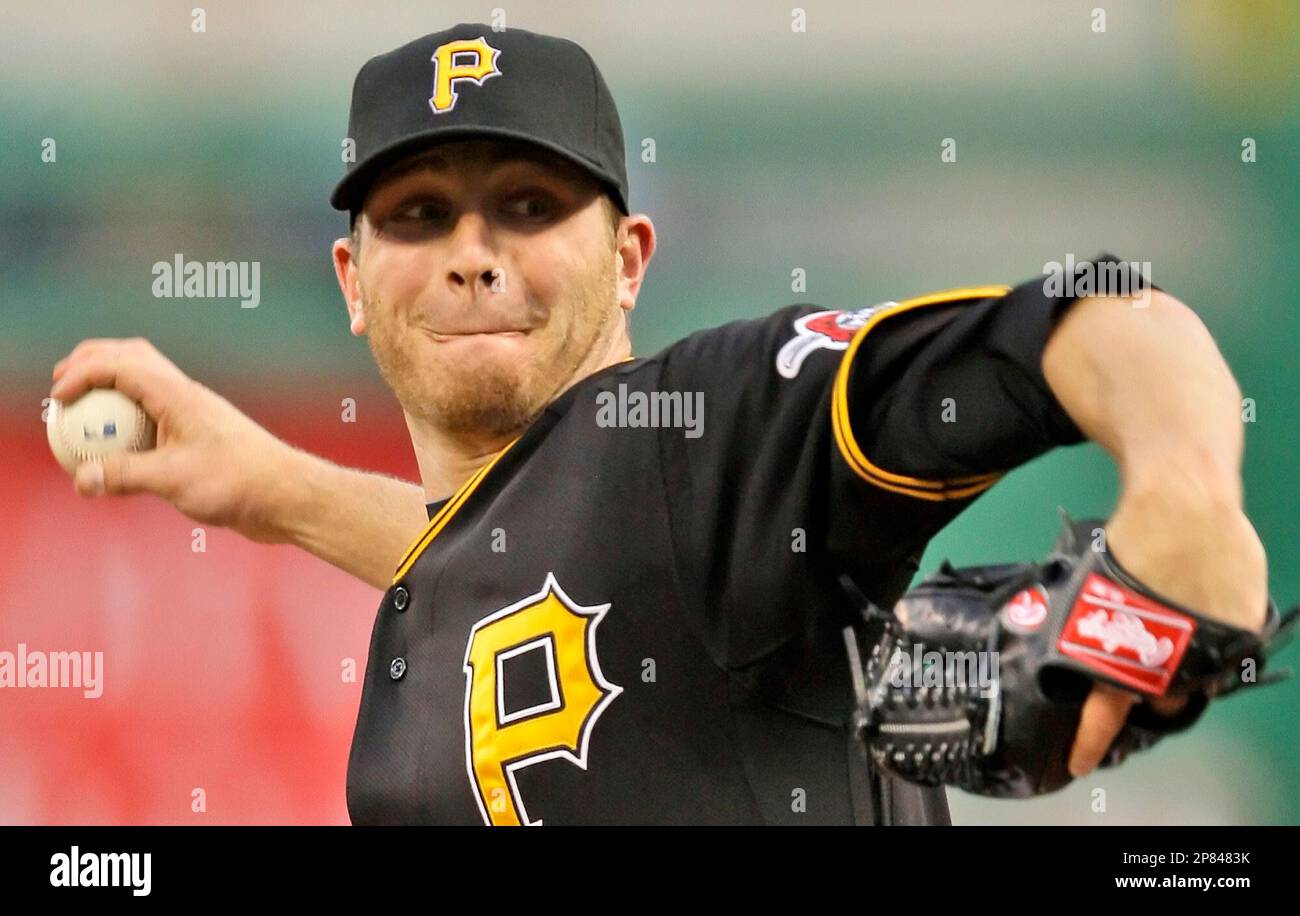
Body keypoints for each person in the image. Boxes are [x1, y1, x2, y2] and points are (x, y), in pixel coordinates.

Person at [49, 23, 1268, 825]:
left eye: (528, 204)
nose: (473, 255)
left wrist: (1189, 491)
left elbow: (1096, 320)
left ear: (630, 260)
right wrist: (266, 487)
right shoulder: (448, 610)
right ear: (351, 281)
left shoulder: (717, 429)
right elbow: (527, 558)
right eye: (419, 213)